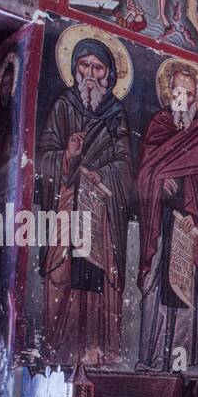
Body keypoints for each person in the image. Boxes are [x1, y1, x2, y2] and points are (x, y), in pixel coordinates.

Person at [37, 35, 134, 366]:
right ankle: (56, 353)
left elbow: (124, 164)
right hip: (68, 203)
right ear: (75, 69)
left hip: (101, 214)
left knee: (99, 282)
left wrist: (102, 176)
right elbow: (44, 157)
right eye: (85, 66)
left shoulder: (115, 114)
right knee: (61, 274)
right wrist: (67, 156)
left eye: (98, 67)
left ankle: (95, 357)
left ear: (107, 74)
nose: (90, 74)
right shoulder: (64, 105)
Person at [136, 63, 198, 372]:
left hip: (189, 229)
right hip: (162, 224)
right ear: (170, 93)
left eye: (190, 93)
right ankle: (153, 360)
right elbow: (144, 173)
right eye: (178, 91)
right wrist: (159, 181)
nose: (183, 98)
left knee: (187, 295)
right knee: (157, 288)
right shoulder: (157, 125)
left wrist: (196, 218)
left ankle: (182, 366)